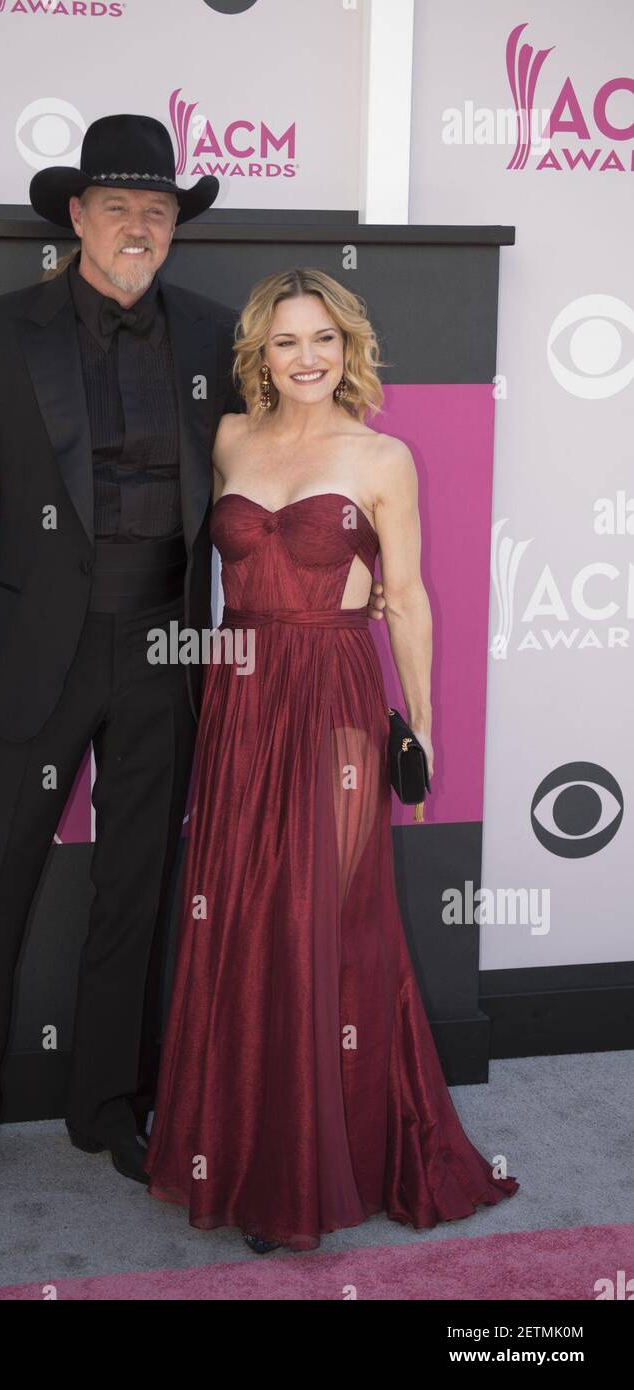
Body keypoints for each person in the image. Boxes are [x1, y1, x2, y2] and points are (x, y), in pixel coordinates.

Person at [0, 113, 388, 1218]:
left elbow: (292, 457)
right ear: (75, 216)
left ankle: (108, 1106)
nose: (137, 227)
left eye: (157, 212)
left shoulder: (221, 337)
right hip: (33, 653)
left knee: (140, 888)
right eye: (116, 207)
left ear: (176, 227)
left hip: (171, 653)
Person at [143, 268, 519, 1253]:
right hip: (239, 694)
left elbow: (411, 598)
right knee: (240, 911)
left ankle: (319, 1159)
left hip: (336, 697)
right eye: (285, 342)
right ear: (258, 356)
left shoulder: (382, 455)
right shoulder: (228, 438)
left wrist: (424, 724)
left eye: (323, 340)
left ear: (349, 348)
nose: (306, 358)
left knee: (324, 916)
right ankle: (241, 1149)